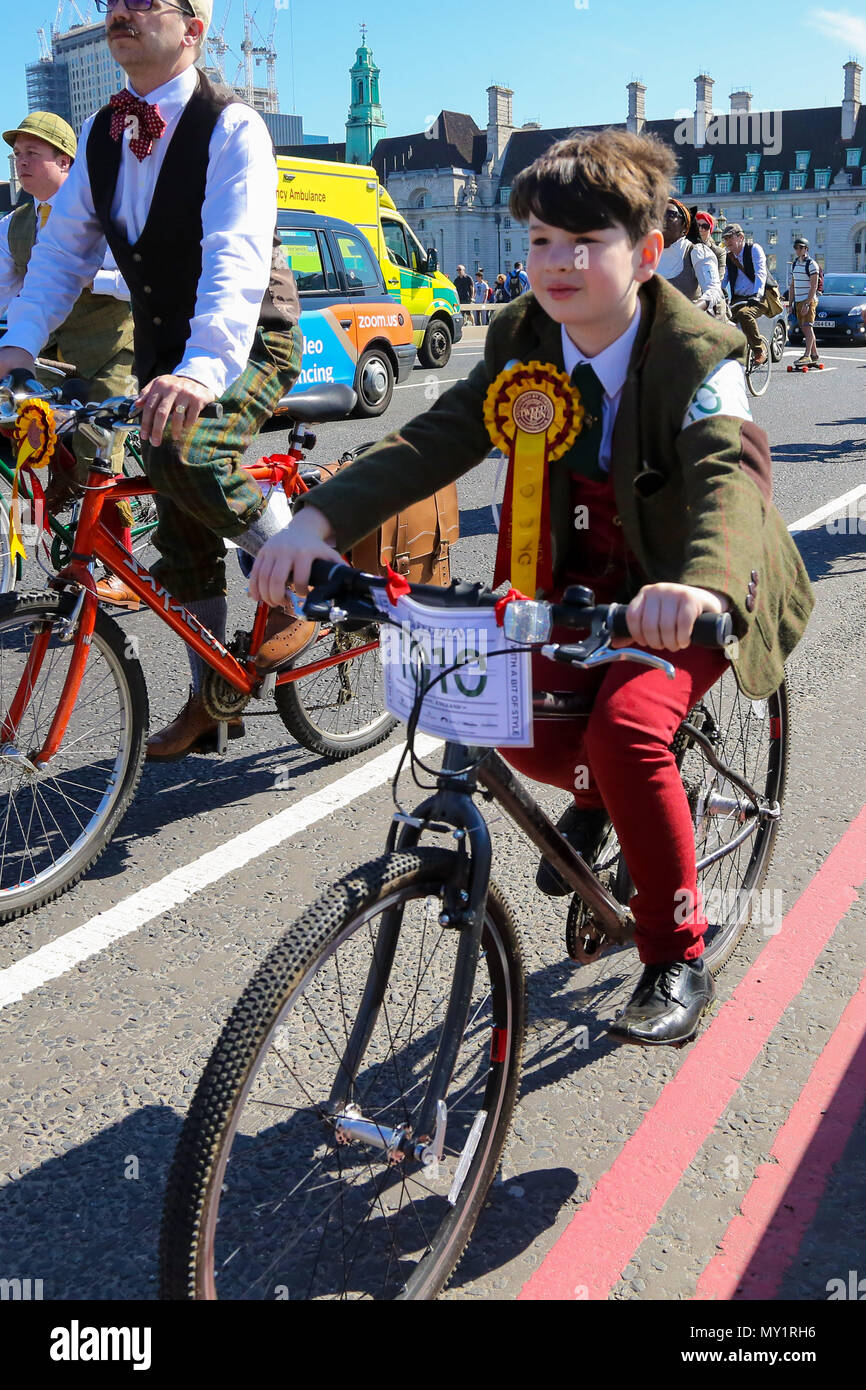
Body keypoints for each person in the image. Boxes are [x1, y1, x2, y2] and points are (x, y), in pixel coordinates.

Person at [250, 127, 813, 1049]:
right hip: (566, 582)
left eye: (585, 243)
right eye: (541, 240)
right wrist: (319, 522)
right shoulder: (523, 336)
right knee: (516, 721)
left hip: (683, 591)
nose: (556, 263)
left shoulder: (698, 354)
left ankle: (677, 950)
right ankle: (596, 802)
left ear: (649, 252)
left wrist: (700, 589)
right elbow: (436, 436)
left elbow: (728, 480)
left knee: (627, 730)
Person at [0, 0, 305, 762]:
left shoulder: (233, 126)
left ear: (193, 29)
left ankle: (312, 581)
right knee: (175, 524)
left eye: (146, 0)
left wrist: (203, 368)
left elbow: (234, 258)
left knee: (187, 457)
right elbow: (63, 255)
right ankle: (213, 697)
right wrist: (16, 348)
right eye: (114, 1)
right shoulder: (107, 133)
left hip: (248, 339)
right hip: (166, 352)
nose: (121, 12)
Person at [0, 111, 138, 606]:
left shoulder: (100, 214)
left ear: (65, 161)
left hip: (112, 352)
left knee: (97, 453)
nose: (21, 163)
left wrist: (80, 275)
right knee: (15, 433)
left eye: (32, 154)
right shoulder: (14, 226)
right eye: (16, 155)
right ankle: (27, 530)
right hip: (53, 358)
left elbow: (131, 284)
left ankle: (124, 565)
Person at [657, 198, 723, 314]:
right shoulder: (646, 254)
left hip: (688, 323)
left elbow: (713, 291)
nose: (663, 219)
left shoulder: (696, 251)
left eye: (670, 214)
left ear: (684, 225)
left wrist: (691, 311)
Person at [721, 224, 772, 365]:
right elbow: (724, 278)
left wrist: (757, 294)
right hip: (737, 299)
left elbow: (761, 273)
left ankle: (759, 350)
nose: (727, 241)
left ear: (741, 237)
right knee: (722, 319)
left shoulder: (754, 249)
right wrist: (716, 292)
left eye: (730, 237)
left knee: (745, 315)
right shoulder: (728, 256)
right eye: (725, 238)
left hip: (758, 297)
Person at [788, 237, 821, 368]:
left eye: (800, 247)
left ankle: (807, 355)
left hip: (809, 300)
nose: (797, 250)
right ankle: (814, 355)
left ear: (806, 249)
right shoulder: (795, 263)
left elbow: (814, 286)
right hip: (798, 300)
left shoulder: (812, 264)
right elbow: (792, 285)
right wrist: (790, 303)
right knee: (805, 327)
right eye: (796, 247)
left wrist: (807, 303)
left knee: (807, 327)